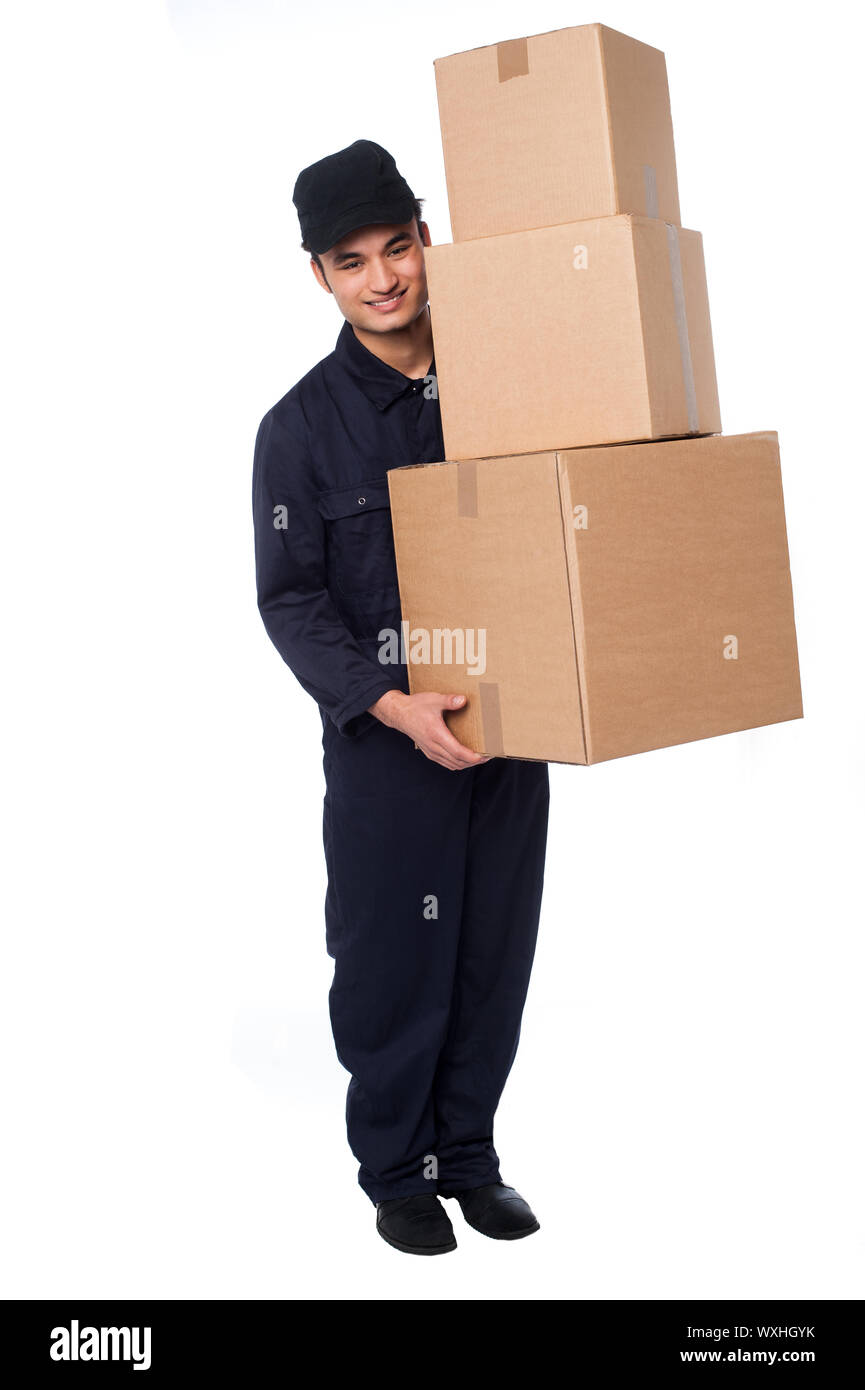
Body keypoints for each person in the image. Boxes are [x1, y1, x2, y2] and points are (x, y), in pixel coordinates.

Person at [252, 139, 550, 1255]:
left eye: (396, 247)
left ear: (426, 242)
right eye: (349, 261)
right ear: (318, 277)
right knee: (391, 955)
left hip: (508, 723)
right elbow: (291, 601)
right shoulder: (297, 430)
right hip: (386, 743)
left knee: (489, 947)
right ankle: (396, 1170)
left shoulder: (510, 382)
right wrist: (389, 704)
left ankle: (468, 1157)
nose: (381, 278)